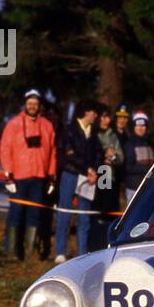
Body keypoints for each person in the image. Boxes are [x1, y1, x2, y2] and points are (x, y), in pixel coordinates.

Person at [0, 89, 56, 260]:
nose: (32, 106)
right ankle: (12, 251)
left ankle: (29, 252)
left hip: (39, 177)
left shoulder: (47, 125)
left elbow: (52, 152)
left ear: (39, 106)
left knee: (34, 214)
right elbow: (5, 149)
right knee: (16, 212)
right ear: (25, 104)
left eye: (35, 104)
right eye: (29, 103)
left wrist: (52, 176)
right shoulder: (13, 124)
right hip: (18, 177)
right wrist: (8, 175)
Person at [55, 100, 101, 262]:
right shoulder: (69, 130)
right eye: (93, 112)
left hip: (88, 178)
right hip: (71, 175)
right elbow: (68, 155)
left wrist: (94, 171)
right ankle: (60, 251)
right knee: (65, 213)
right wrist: (86, 169)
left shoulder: (94, 134)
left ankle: (82, 252)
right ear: (86, 112)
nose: (96, 115)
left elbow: (97, 154)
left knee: (84, 215)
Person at [92, 105, 124, 242]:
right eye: (103, 117)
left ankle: (108, 240)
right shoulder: (94, 134)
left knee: (110, 210)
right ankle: (97, 241)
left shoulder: (113, 135)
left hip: (109, 175)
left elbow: (121, 158)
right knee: (98, 211)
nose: (106, 120)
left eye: (108, 117)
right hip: (96, 175)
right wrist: (103, 157)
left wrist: (113, 157)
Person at [123, 111, 154, 196]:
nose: (140, 128)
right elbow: (129, 167)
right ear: (134, 127)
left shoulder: (150, 143)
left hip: (148, 185)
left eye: (143, 125)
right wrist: (148, 170)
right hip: (134, 187)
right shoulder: (129, 144)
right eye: (138, 125)